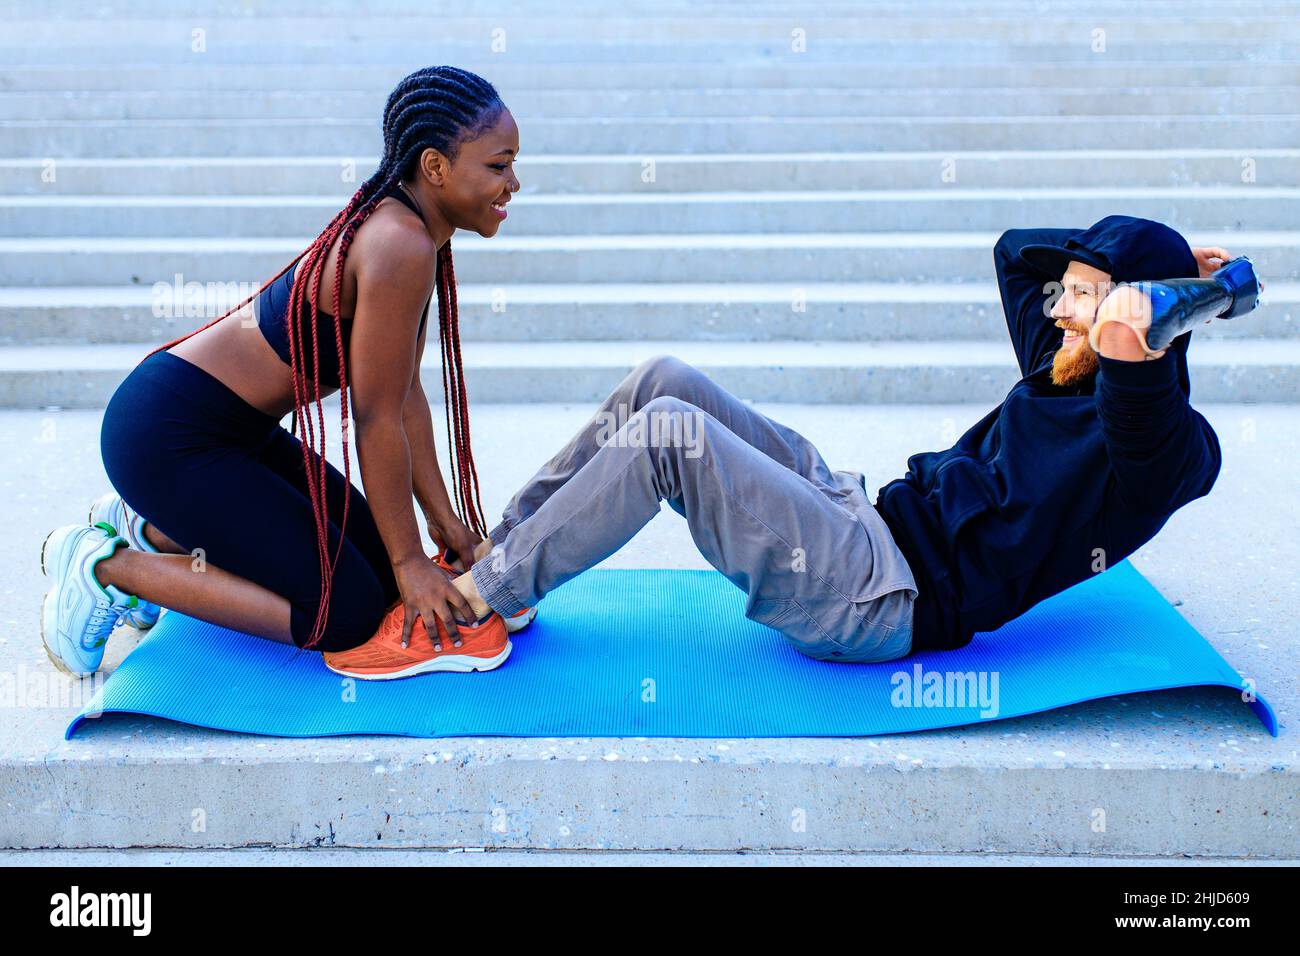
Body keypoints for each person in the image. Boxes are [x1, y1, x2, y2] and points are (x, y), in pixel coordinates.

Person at [324, 215, 1246, 678]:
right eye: (1072, 290)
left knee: (667, 440)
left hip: (879, 596)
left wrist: (1152, 326)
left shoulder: (1164, 451)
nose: (1057, 305)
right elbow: (1017, 253)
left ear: (1140, 328)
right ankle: (503, 559)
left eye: (1083, 295)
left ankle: (470, 611)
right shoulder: (1061, 362)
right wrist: (1177, 275)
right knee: (664, 381)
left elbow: (1141, 409)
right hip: (860, 511)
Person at [39, 66, 532, 677]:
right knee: (342, 611)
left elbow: (405, 397)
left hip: (228, 437)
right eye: (498, 165)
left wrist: (446, 530)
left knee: (375, 570)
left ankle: (156, 529)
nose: (514, 182)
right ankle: (104, 568)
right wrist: (414, 565)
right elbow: (376, 417)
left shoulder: (414, 234)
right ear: (434, 167)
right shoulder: (399, 245)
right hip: (166, 438)